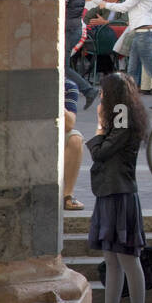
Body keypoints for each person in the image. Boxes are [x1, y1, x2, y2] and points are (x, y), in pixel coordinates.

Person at [87, 73, 150, 303]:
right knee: (112, 260)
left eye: (103, 92)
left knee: (126, 259)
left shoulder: (121, 114)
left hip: (119, 194)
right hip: (111, 193)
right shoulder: (123, 114)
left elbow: (102, 152)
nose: (100, 95)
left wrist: (101, 126)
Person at [64, 0, 99, 107]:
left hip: (68, 29)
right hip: (76, 26)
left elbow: (61, 8)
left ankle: (88, 90)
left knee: (63, 67)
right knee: (63, 65)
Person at [62, 79, 84, 211]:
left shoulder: (69, 87)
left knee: (75, 138)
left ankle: (67, 195)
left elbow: (69, 125)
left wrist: (57, 96)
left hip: (54, 133)